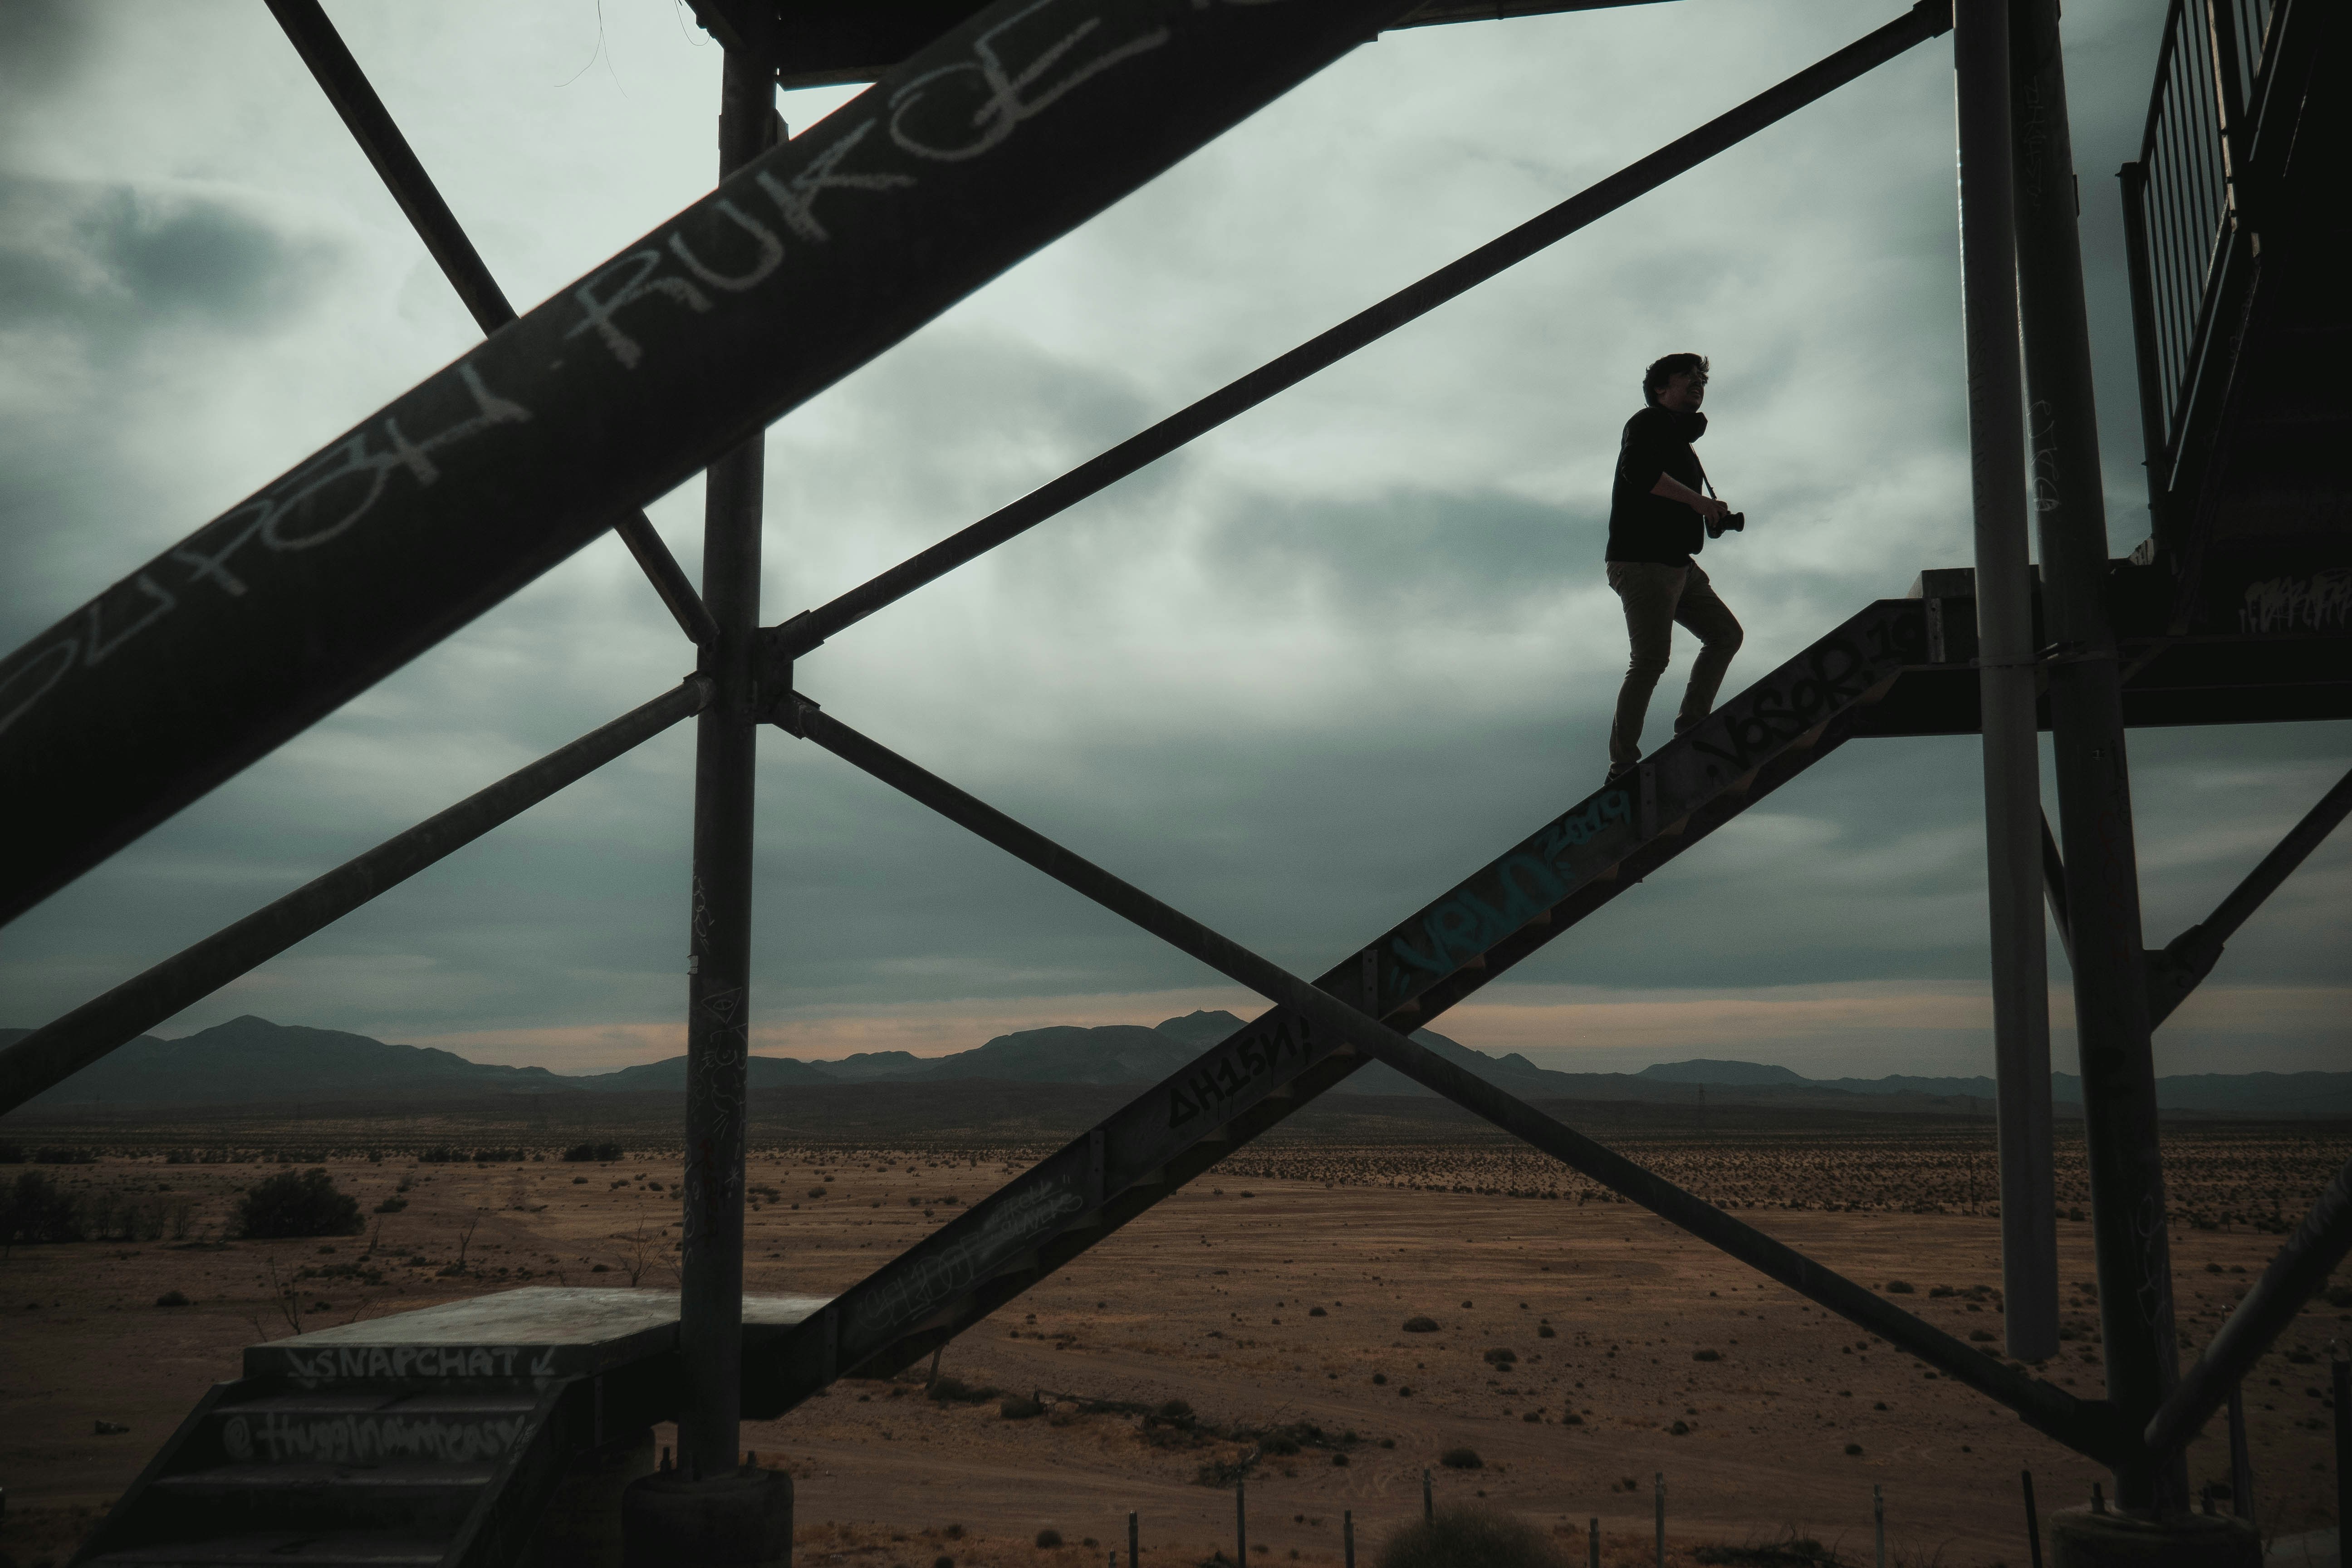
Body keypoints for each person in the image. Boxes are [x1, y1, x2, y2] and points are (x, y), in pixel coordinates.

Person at [1602, 352, 1744, 786]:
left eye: (1702, 378)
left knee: (1725, 635)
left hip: (1678, 564)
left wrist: (1707, 514)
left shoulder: (1681, 440)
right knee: (1650, 660)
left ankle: (1692, 728)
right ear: (1661, 389)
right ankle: (1622, 766)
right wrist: (1700, 502)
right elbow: (1640, 473)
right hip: (1642, 562)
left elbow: (1667, 495)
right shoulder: (1646, 424)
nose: (1699, 384)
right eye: (1688, 378)